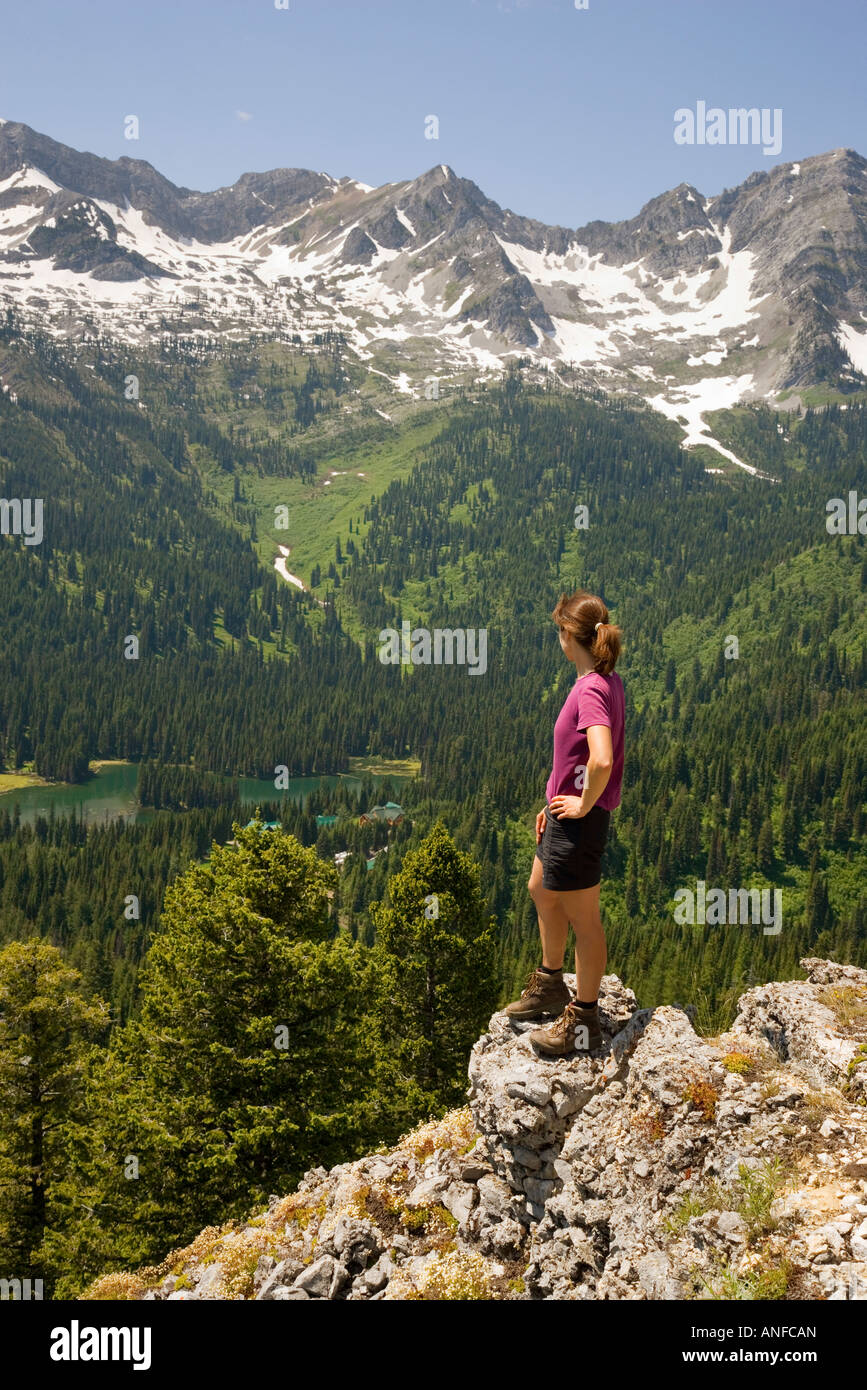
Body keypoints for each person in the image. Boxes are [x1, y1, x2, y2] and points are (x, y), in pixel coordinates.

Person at [504, 591, 624, 1056]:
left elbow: (601, 758)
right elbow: (574, 759)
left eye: (558, 630)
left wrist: (582, 804)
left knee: (585, 921)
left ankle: (585, 1020)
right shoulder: (603, 681)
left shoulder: (591, 688)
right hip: (565, 815)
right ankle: (552, 983)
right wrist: (556, 798)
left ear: (567, 638)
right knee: (540, 888)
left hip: (580, 824)